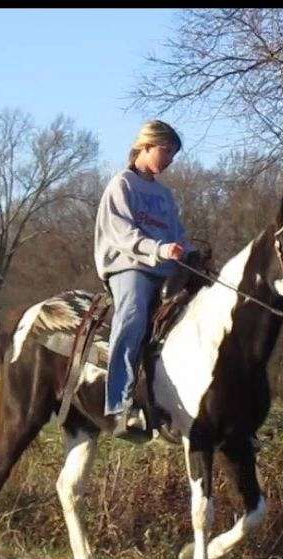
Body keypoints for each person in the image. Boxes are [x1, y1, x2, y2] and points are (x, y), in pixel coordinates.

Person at [94, 120, 193, 440]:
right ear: (146, 146)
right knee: (133, 316)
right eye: (167, 151)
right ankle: (120, 405)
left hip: (164, 266)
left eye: (173, 155)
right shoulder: (122, 185)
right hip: (129, 265)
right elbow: (122, 234)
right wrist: (160, 248)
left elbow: (177, 234)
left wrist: (190, 254)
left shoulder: (165, 195)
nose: (169, 160)